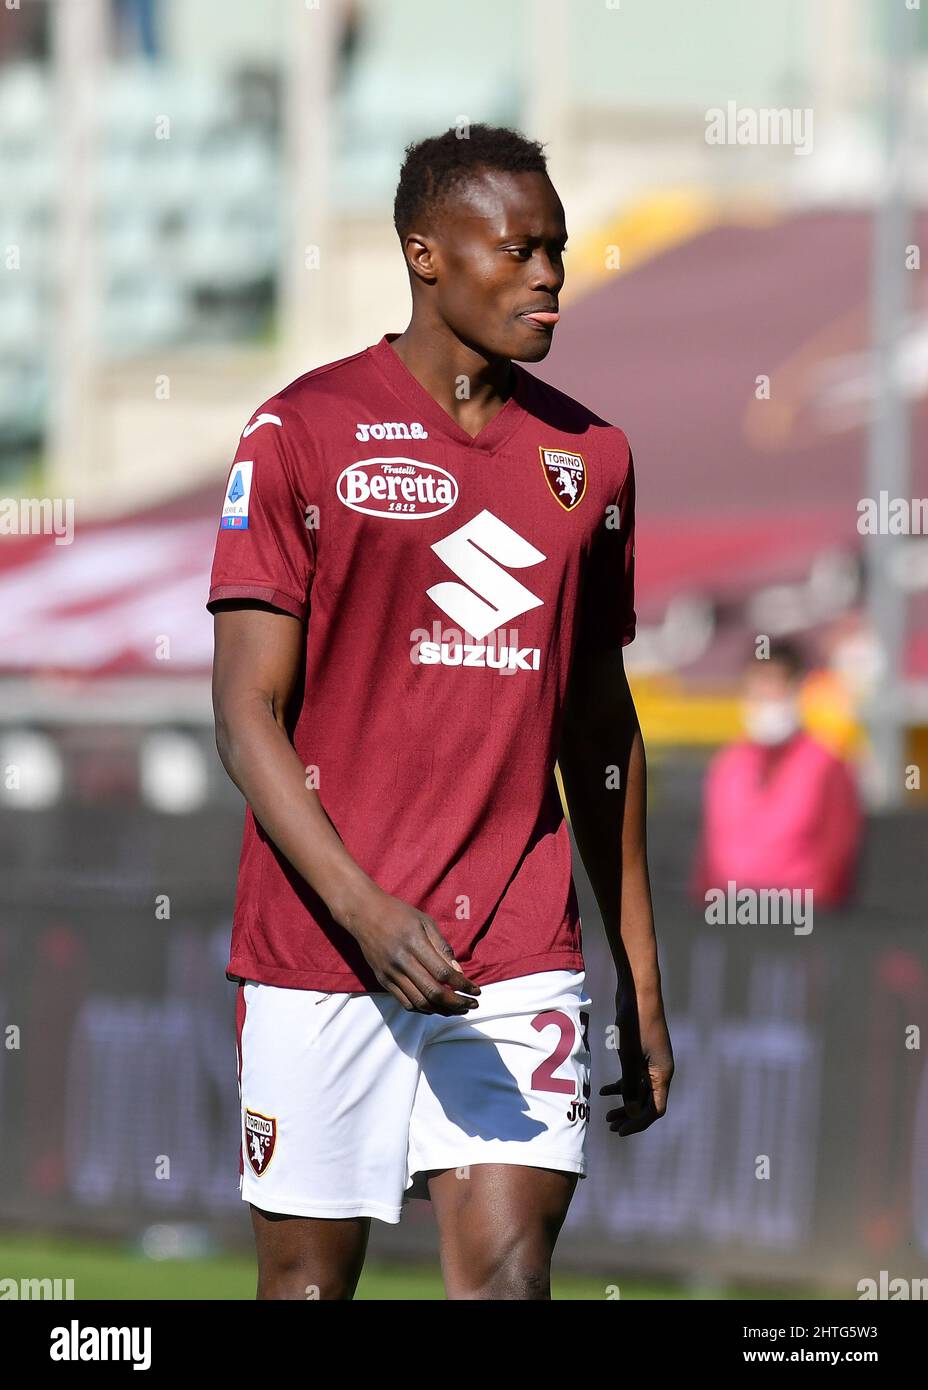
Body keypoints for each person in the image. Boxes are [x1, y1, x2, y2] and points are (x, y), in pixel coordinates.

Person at [208, 123, 673, 1301]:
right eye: (518, 250)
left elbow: (599, 735)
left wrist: (641, 978)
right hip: (323, 947)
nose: (549, 276)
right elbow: (244, 712)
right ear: (425, 254)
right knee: (306, 1291)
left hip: (517, 950)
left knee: (507, 1286)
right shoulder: (296, 433)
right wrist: (367, 913)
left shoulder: (594, 460)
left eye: (557, 250)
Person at [690, 638, 863, 909]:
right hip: (730, 918)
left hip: (801, 921)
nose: (764, 696)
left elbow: (837, 852)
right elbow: (710, 853)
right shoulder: (727, 764)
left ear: (796, 688)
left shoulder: (828, 764)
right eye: (756, 686)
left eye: (774, 684)